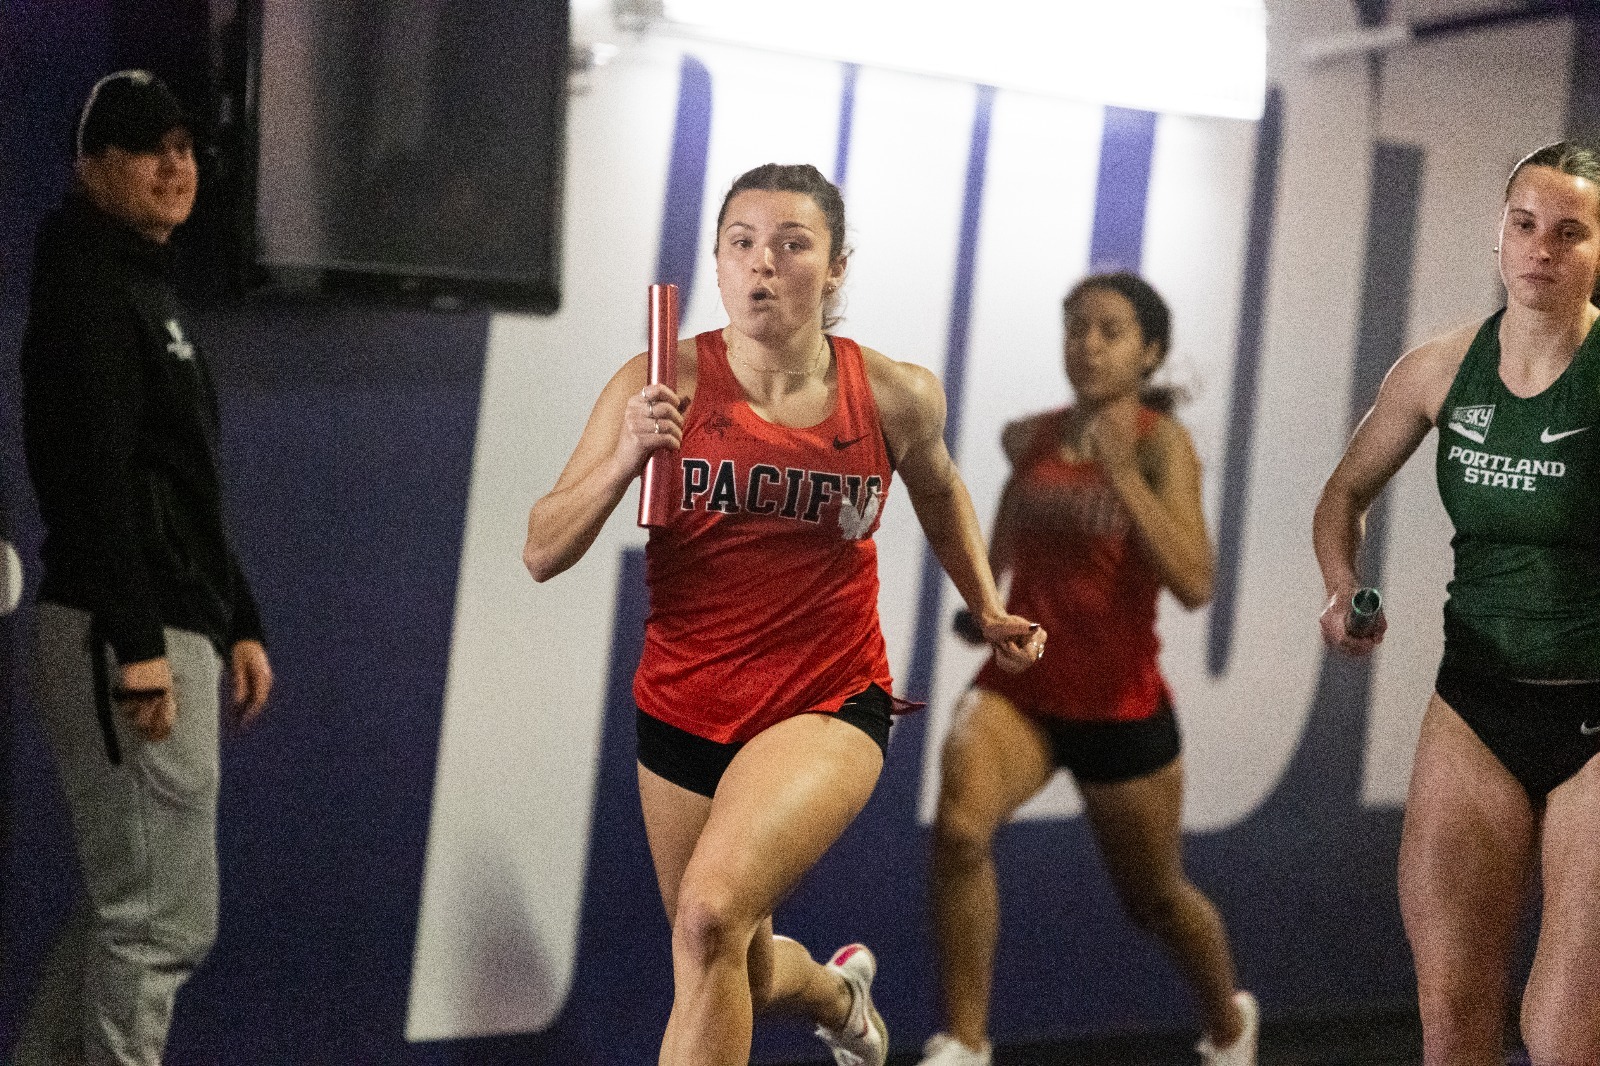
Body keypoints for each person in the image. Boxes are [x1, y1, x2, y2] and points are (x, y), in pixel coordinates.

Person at [523, 162, 1045, 1066]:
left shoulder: (893, 394)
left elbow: (942, 489)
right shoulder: (662, 381)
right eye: (743, 244)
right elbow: (541, 548)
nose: (765, 264)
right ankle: (838, 994)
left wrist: (988, 605)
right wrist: (623, 463)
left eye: (792, 244)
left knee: (709, 914)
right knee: (736, 964)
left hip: (826, 701)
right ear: (720, 267)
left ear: (836, 267)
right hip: (684, 707)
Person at [919, 273, 1256, 1066]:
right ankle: (965, 1045)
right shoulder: (1028, 440)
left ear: (1151, 352)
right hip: (1023, 692)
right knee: (961, 830)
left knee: (1156, 901)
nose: (1088, 345)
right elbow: (995, 556)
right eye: (1076, 327)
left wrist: (1124, 474)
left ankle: (1230, 1028)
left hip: (1118, 705)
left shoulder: (1159, 445)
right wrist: (983, 612)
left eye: (1110, 331)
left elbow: (1196, 583)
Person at [1314, 143, 1600, 1066]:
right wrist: (1339, 588)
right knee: (1453, 1015)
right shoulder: (1439, 368)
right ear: (1499, 234)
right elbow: (1341, 496)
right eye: (1525, 226)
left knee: (1562, 1032)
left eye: (1570, 233)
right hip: (1475, 704)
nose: (1541, 250)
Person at [14, 70, 273, 1066]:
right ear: (90, 166)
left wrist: (236, 616)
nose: (174, 165)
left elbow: (180, 480)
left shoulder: (135, 282)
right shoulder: (86, 290)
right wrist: (137, 646)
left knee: (130, 912)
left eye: (184, 145)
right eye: (144, 147)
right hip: (131, 631)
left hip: (172, 623)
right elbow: (94, 484)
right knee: (159, 926)